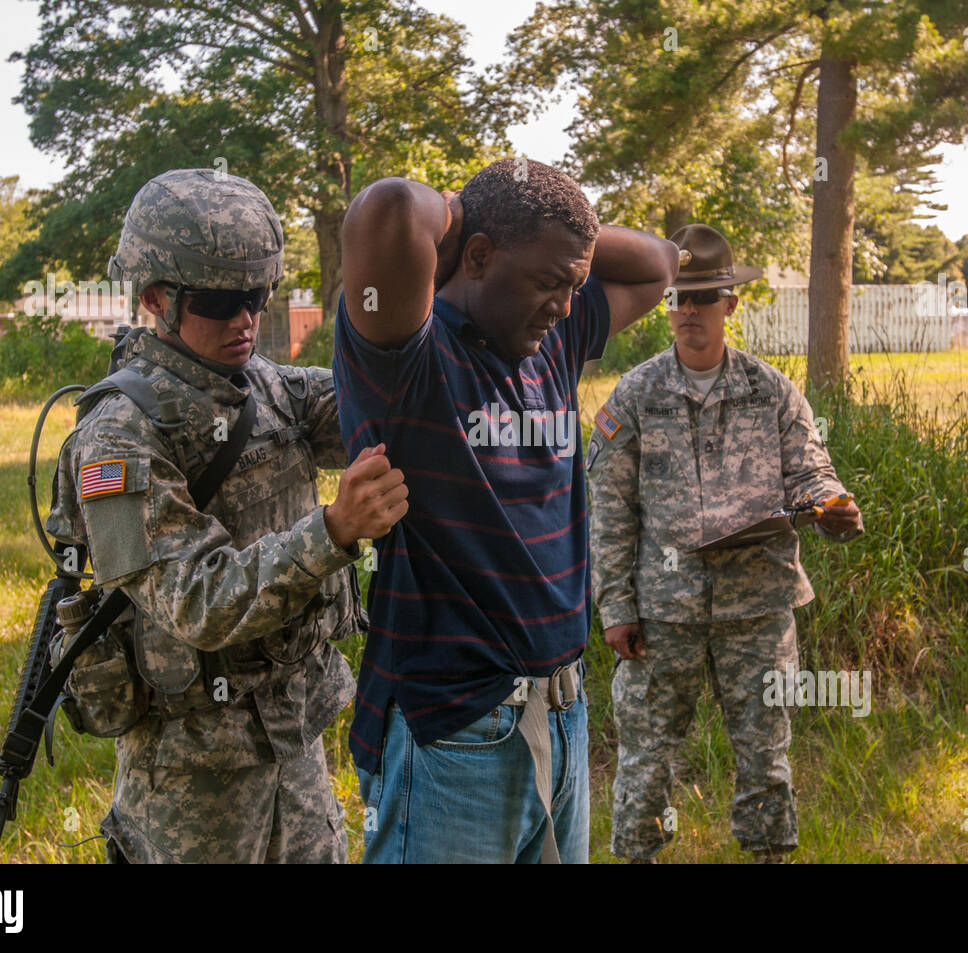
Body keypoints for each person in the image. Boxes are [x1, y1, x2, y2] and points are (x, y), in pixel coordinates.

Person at [45, 168, 409, 863]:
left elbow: (382, 405)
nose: (247, 318)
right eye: (221, 300)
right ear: (155, 297)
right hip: (193, 785)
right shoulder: (116, 438)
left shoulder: (264, 384)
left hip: (294, 757)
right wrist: (332, 531)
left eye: (258, 293)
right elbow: (196, 599)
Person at [333, 158, 678, 863]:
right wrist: (471, 213)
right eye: (550, 282)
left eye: (575, 285)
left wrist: (558, 238)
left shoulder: (555, 340)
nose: (563, 302)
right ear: (480, 256)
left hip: (562, 713)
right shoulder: (409, 354)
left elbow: (659, 263)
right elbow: (390, 207)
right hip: (455, 728)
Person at [587, 223, 864, 864]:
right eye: (678, 298)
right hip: (665, 614)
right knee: (647, 762)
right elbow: (609, 510)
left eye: (702, 299)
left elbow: (811, 471)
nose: (687, 311)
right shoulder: (635, 395)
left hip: (757, 610)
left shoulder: (770, 391)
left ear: (729, 307)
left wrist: (830, 506)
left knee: (765, 759)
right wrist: (616, 608)